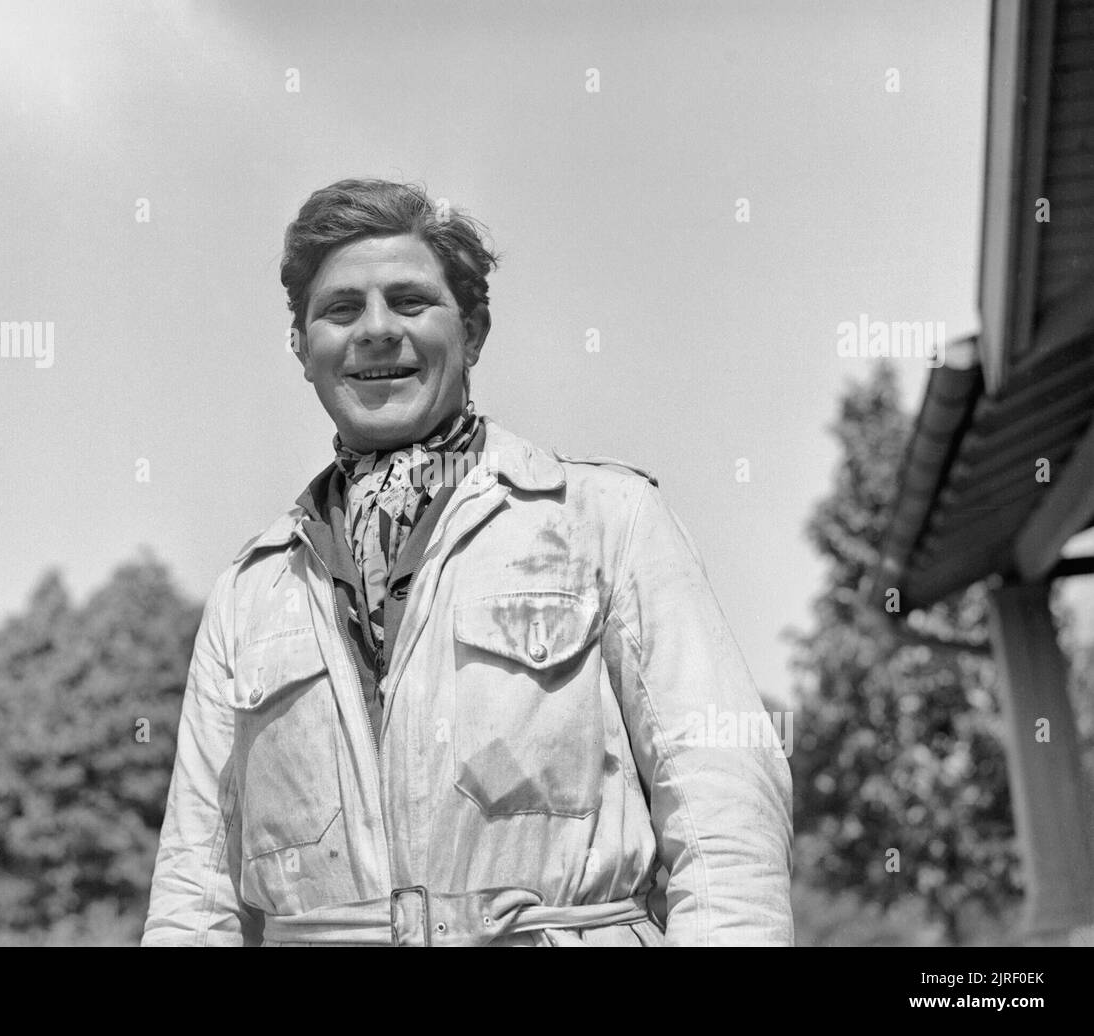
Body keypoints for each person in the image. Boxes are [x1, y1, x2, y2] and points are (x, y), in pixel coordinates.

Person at [141, 178, 794, 946]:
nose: (376, 331)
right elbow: (196, 891)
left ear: (474, 331)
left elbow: (724, 817)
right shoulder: (250, 592)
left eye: (411, 302)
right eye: (341, 309)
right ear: (302, 348)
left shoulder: (603, 522)